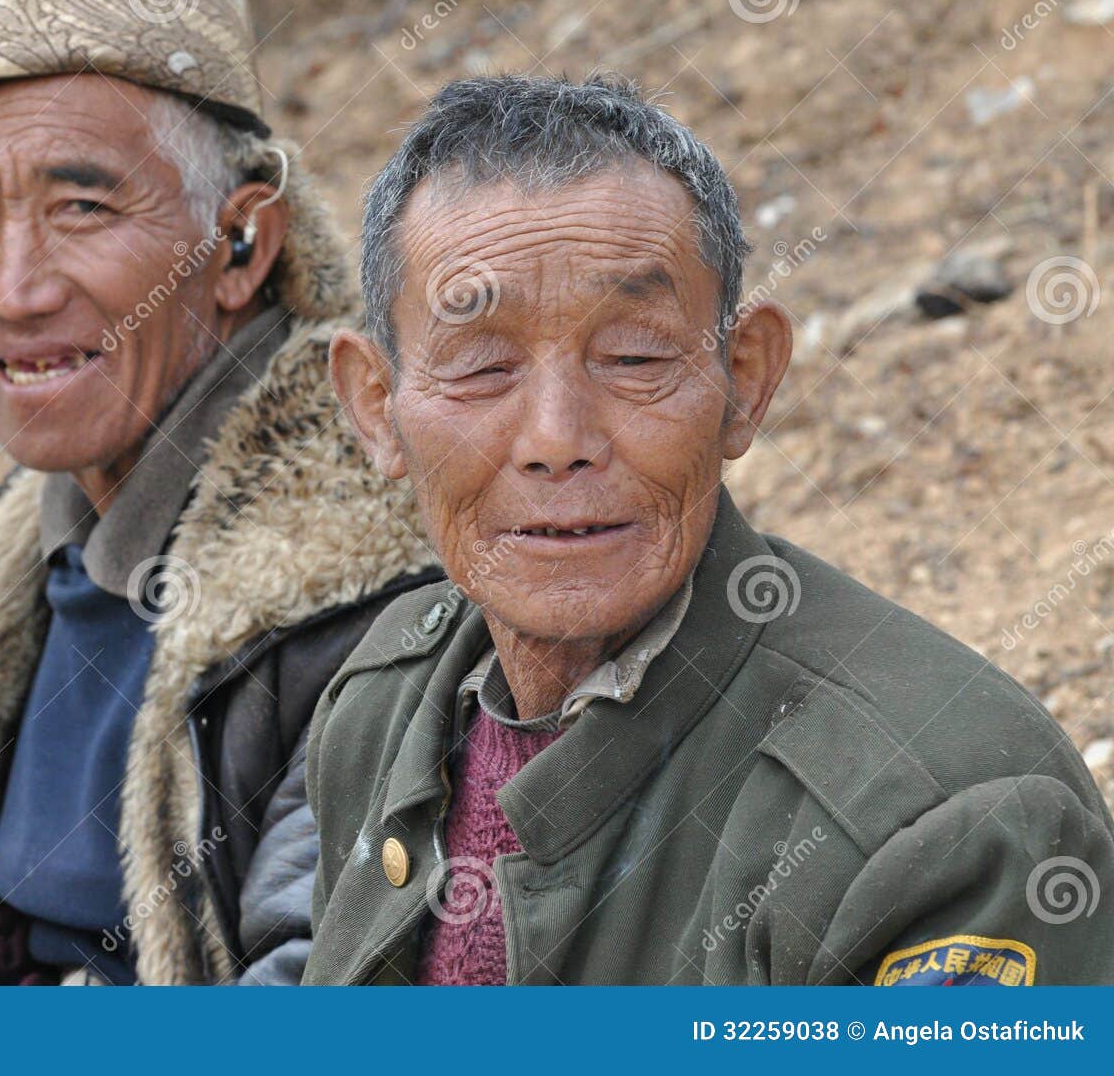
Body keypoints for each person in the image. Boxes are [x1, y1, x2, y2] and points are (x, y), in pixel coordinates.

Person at [305, 72, 1114, 985]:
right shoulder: (382, 707)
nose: (557, 440)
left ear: (746, 380)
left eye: (634, 357)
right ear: (376, 408)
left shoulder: (946, 822)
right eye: (483, 366)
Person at [0, 0, 437, 987]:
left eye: (81, 205)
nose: (13, 287)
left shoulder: (372, 594)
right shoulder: (4, 562)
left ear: (243, 244)